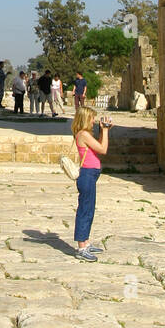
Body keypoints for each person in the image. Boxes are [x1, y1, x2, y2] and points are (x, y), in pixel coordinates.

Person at [71, 105, 113, 261]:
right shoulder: (83, 134)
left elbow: (98, 146)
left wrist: (103, 130)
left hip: (91, 174)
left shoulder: (85, 134)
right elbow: (103, 149)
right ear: (86, 118)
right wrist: (107, 131)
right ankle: (81, 247)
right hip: (87, 175)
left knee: (89, 209)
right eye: (92, 118)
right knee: (85, 209)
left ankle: (86, 242)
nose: (94, 121)